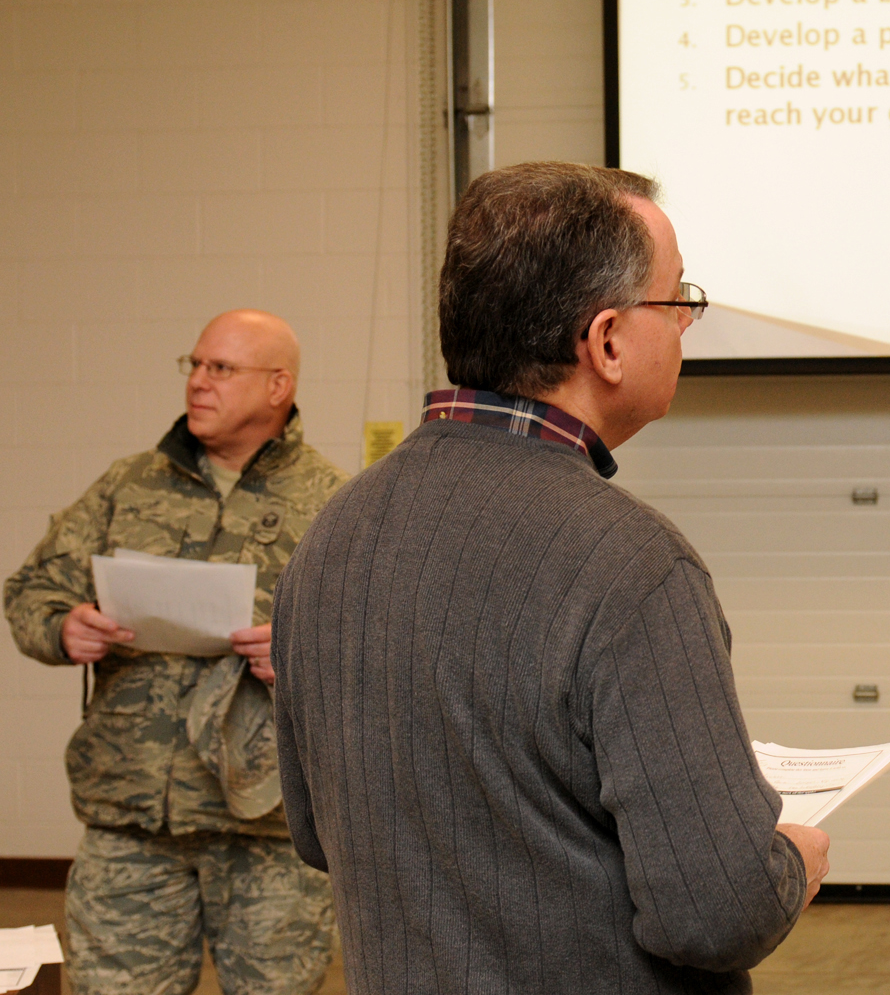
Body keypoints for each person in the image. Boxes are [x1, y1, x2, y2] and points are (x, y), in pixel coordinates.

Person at [271, 161, 830, 995]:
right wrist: (793, 855)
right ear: (605, 341)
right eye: (679, 303)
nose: (686, 329)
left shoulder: (334, 534)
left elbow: (320, 834)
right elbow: (718, 913)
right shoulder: (633, 566)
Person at [5, 309, 345, 995]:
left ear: (279, 386)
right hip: (132, 819)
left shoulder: (334, 502)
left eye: (221, 368)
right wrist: (63, 627)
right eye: (194, 365)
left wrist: (303, 662)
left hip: (270, 830)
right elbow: (31, 592)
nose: (198, 382)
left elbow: (379, 650)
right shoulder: (126, 485)